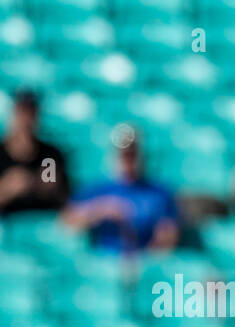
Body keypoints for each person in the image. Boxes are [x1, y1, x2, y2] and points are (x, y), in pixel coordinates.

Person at [61, 125, 178, 254]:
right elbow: (67, 222)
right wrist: (101, 209)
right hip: (103, 259)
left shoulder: (159, 192)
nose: (128, 159)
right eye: (124, 154)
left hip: (143, 259)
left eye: (132, 153)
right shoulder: (96, 188)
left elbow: (168, 235)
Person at [0, 89, 70, 215]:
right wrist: (7, 189)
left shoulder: (51, 155)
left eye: (31, 113)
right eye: (22, 113)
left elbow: (62, 196)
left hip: (44, 224)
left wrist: (38, 184)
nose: (26, 120)